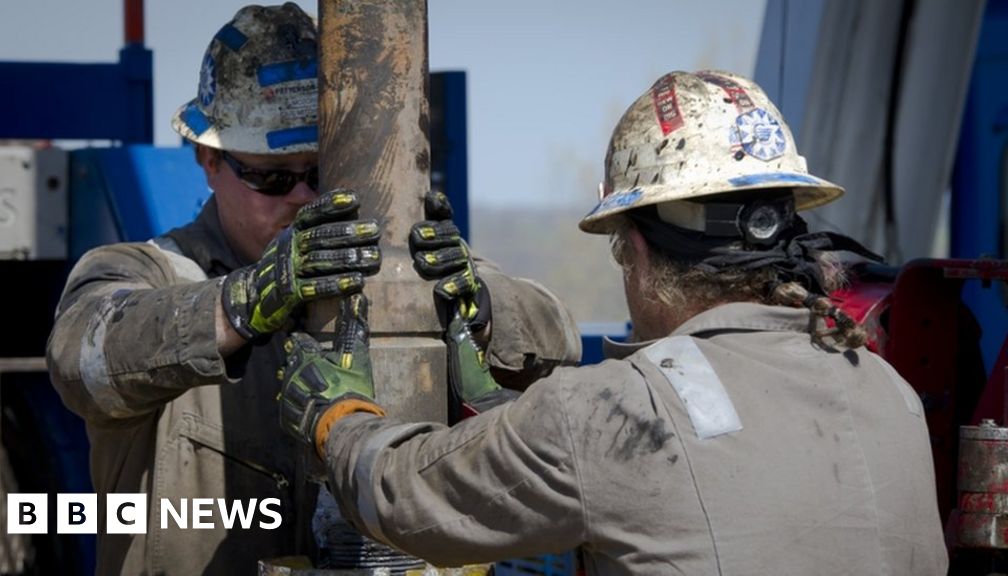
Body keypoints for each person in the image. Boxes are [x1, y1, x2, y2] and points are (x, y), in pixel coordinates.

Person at [278, 70, 949, 575]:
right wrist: (499, 411)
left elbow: (405, 498)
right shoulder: (883, 389)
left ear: (635, 248)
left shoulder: (608, 413)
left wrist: (337, 421)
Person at [45, 4, 580, 575]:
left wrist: (487, 310)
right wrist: (241, 304)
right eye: (273, 177)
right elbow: (81, 358)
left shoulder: (403, 272)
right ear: (208, 159)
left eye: (319, 174)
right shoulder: (148, 272)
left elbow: (561, 339)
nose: (301, 197)